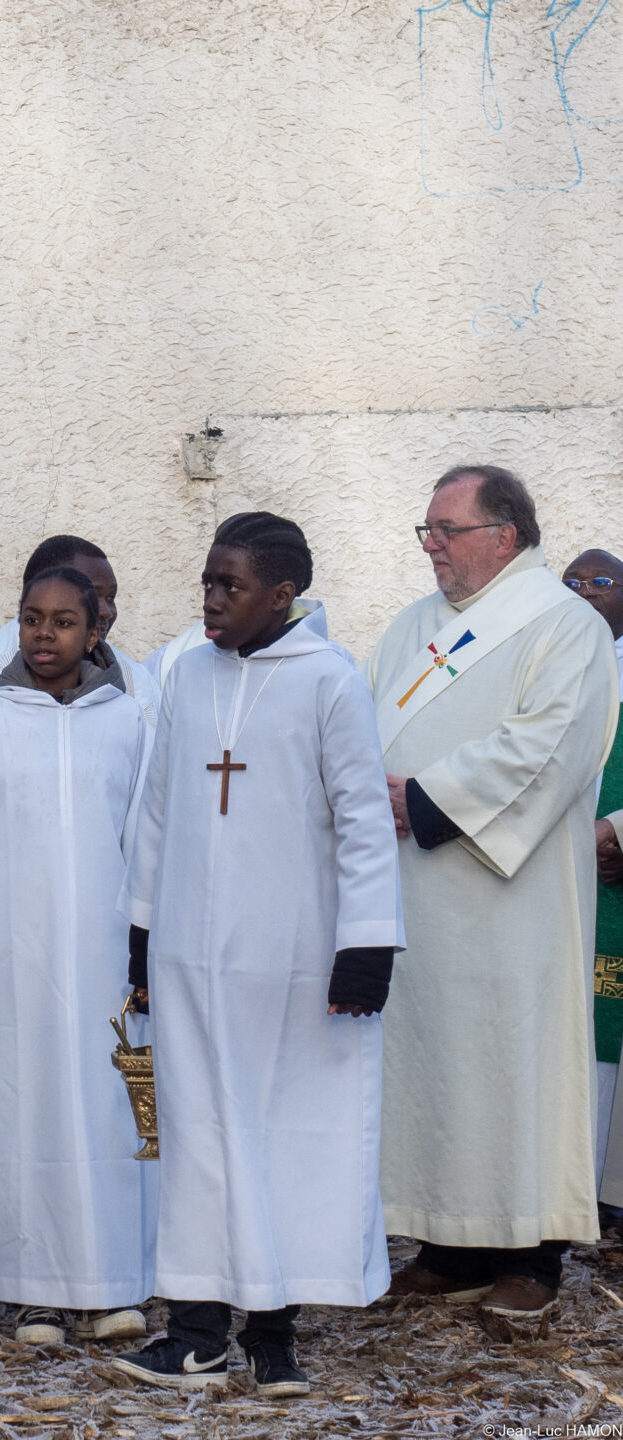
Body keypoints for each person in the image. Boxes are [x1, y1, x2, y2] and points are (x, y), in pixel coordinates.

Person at [116, 513, 401, 1398]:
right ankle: (197, 1332)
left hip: (293, 962)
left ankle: (275, 1329)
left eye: (229, 586)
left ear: (282, 595)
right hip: (192, 961)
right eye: (206, 581)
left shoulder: (329, 680)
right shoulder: (187, 675)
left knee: (280, 1141)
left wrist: (367, 945)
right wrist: (141, 931)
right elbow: (158, 808)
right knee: (200, 1140)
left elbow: (361, 819)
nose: (209, 601)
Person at [372, 468, 616, 1317]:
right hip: (416, 890)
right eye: (427, 530)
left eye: (446, 528)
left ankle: (531, 1257)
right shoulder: (412, 626)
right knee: (437, 1059)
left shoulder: (565, 626)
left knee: (516, 1060)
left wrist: (426, 799)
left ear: (504, 536)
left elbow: (551, 748)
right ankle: (448, 1244)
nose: (430, 543)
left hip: (512, 900)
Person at [0, 567, 156, 1347]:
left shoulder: (129, 722)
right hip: (6, 955)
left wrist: (145, 938)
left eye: (63, 622)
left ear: (96, 632)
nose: (44, 636)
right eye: (30, 619)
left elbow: (144, 840)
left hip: (101, 959)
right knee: (15, 1112)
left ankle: (110, 1281)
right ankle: (32, 1293)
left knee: (101, 1110)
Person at [0, 535, 162, 724]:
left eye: (110, 598)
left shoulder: (135, 677)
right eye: (91, 595)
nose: (107, 611)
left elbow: (150, 759)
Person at [570, 552, 623, 1221]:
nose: (584, 593)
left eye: (601, 583)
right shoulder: (550, 664)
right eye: (572, 584)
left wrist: (616, 831)